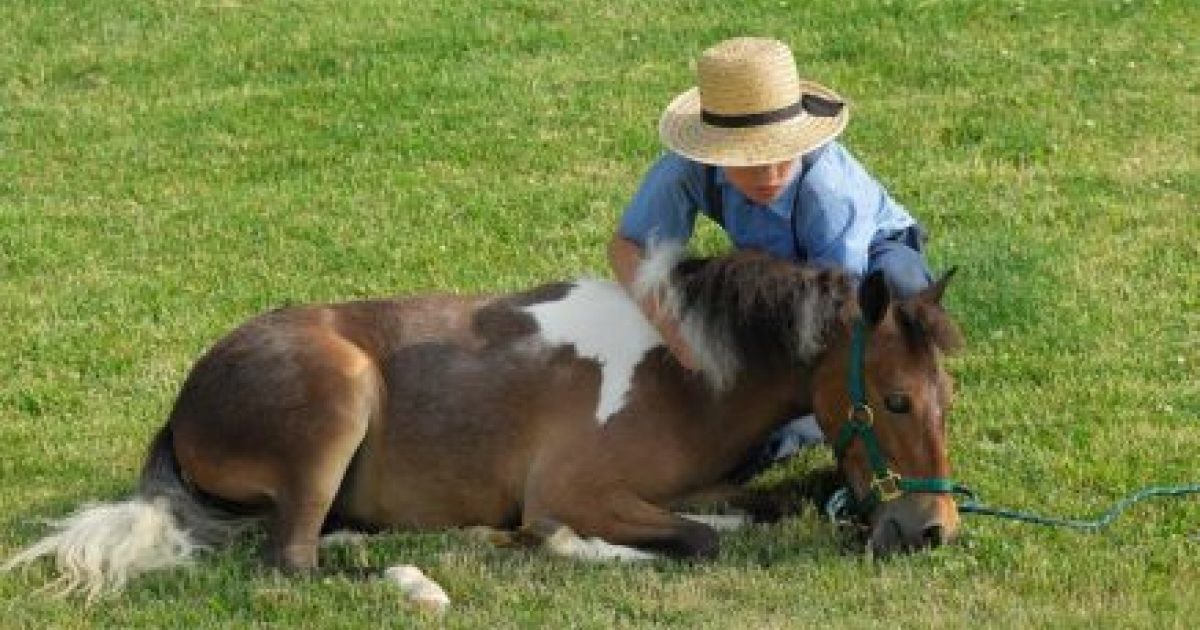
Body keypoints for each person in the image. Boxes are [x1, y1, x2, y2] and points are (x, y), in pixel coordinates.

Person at [608, 36, 934, 480]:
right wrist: (674, 331)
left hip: (863, 270)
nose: (771, 176)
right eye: (750, 160)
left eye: (782, 157)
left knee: (898, 295)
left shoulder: (829, 193)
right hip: (779, 267)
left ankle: (797, 429)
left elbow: (838, 312)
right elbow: (627, 249)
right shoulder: (685, 169)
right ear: (714, 151)